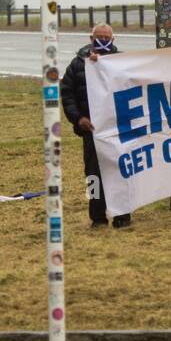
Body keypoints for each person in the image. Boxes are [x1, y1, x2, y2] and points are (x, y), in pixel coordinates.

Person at [61, 23, 131, 228]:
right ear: (91, 38)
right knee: (93, 175)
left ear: (113, 39)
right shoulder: (77, 64)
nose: (102, 40)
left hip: (117, 130)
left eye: (106, 37)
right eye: (99, 36)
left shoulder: (122, 62)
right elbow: (67, 95)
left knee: (121, 172)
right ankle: (97, 217)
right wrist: (78, 119)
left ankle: (123, 216)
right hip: (91, 130)